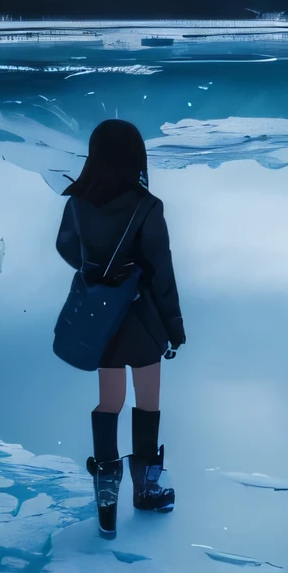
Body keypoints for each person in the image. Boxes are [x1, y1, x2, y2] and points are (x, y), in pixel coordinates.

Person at [56, 119, 185, 536]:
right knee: (146, 404)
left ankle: (106, 504)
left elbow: (65, 248)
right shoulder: (147, 206)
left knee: (108, 403)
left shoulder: (77, 201)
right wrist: (174, 327)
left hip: (102, 321)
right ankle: (144, 492)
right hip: (143, 321)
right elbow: (160, 273)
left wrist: (96, 274)